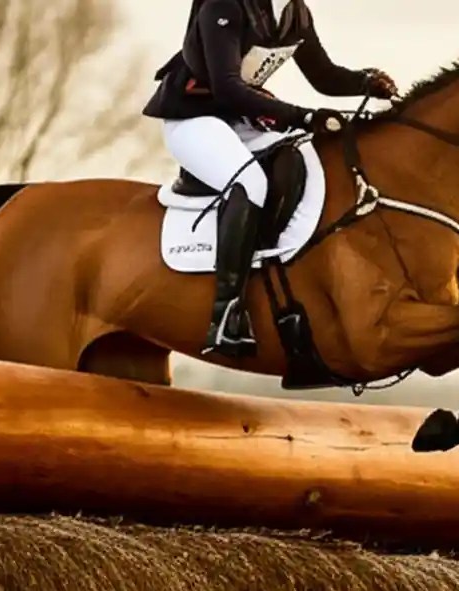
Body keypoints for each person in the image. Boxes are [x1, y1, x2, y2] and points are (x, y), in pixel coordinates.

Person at [143, 0, 398, 358]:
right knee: (250, 183)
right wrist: (303, 116)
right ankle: (226, 314)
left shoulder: (295, 13)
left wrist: (365, 81)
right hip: (192, 119)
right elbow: (227, 86)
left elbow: (323, 76)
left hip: (239, 119)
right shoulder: (226, 6)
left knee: (300, 159)